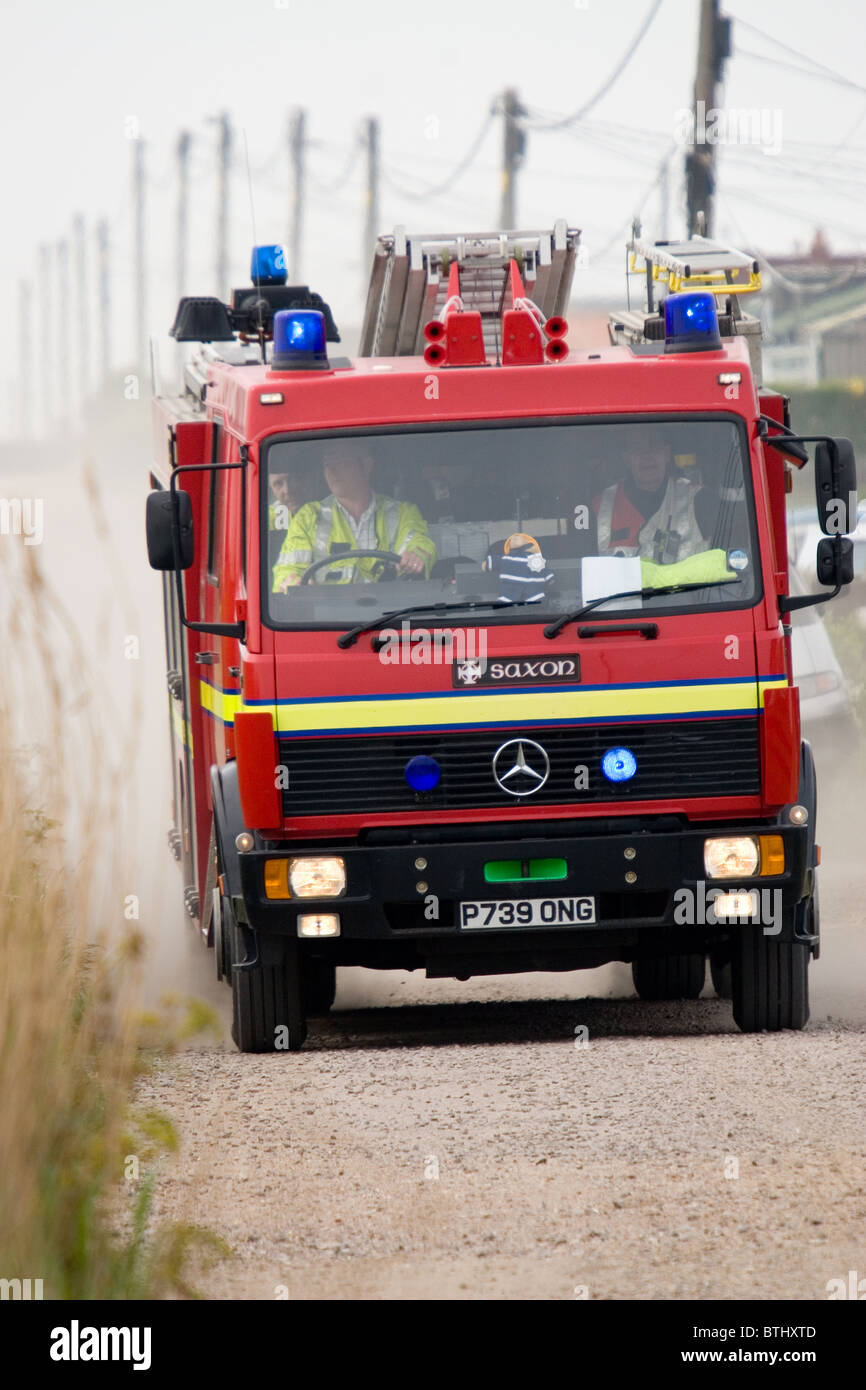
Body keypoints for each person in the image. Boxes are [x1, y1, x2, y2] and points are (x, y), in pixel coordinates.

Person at [272, 441, 436, 590]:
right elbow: (288, 569)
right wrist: (292, 581)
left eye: (340, 462)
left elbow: (419, 542)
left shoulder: (403, 512)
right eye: (327, 464)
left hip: (392, 611)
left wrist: (414, 556)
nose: (332, 470)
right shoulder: (308, 517)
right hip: (327, 613)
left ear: (366, 465)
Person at [593, 428, 716, 564]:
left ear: (667, 453)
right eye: (637, 448)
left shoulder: (699, 499)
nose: (647, 455)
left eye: (655, 446)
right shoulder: (600, 505)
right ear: (627, 459)